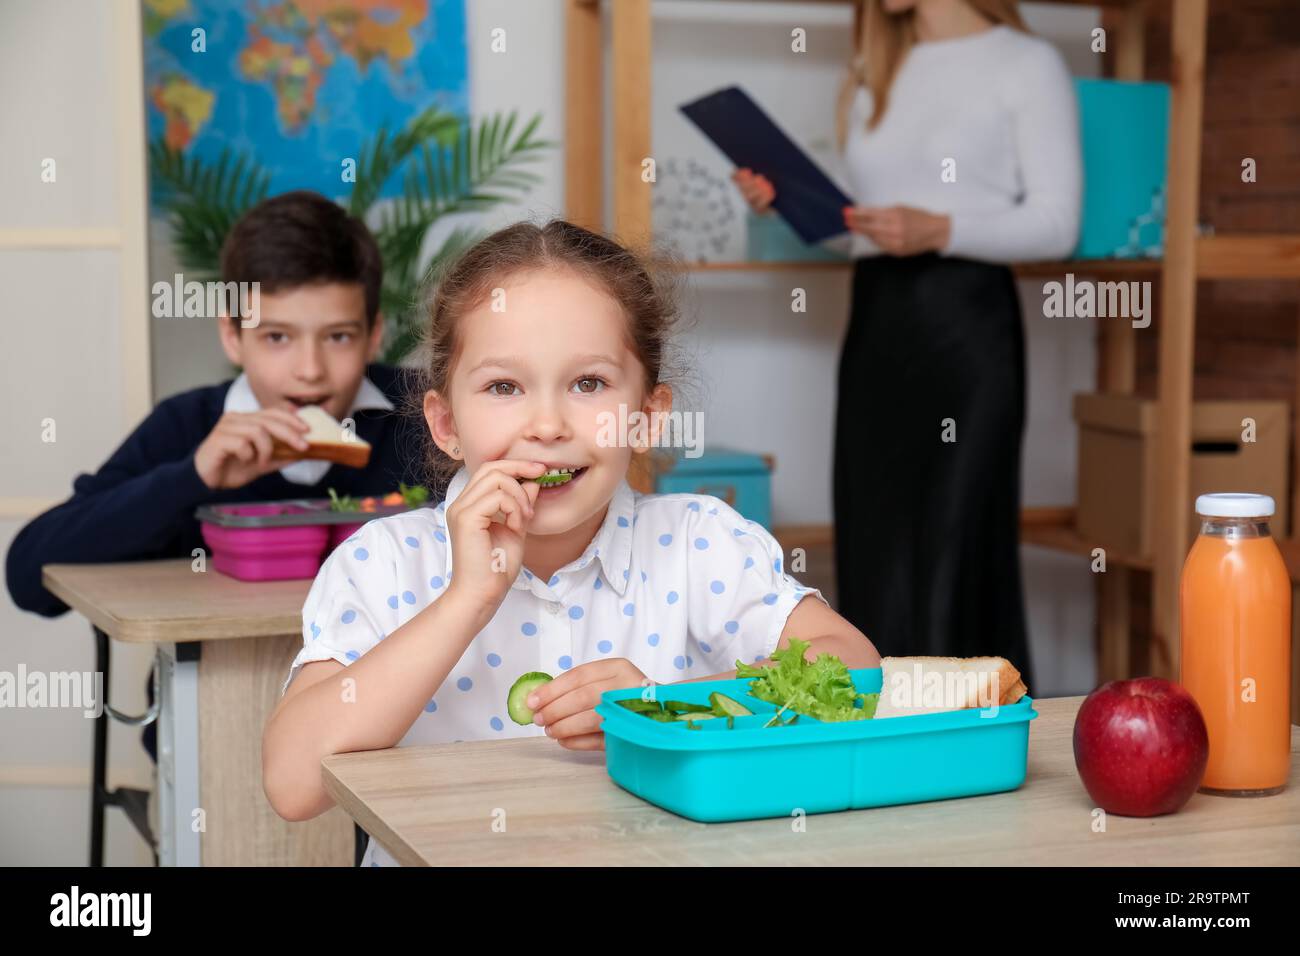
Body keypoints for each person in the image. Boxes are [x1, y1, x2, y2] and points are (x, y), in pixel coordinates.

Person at [262, 219, 882, 866]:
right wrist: (465, 601)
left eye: (589, 384)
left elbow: (854, 669)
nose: (549, 426)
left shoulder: (700, 543)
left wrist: (666, 711)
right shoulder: (384, 563)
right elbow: (293, 782)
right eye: (504, 387)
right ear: (446, 423)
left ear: (646, 416)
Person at [733, 0, 1082, 686]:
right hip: (878, 323)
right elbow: (864, 231)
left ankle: (970, 733)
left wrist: (941, 229)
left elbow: (1056, 223)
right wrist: (789, 206)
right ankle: (880, 731)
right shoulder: (875, 70)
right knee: (875, 539)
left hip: (967, 330)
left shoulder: (1026, 64)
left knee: (957, 540)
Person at [6, 190, 424, 759]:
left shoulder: (427, 415)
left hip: (404, 739)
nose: (310, 370)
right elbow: (29, 575)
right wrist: (194, 476)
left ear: (374, 333)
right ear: (232, 335)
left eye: (338, 337)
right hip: (213, 744)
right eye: (277, 337)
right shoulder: (189, 427)